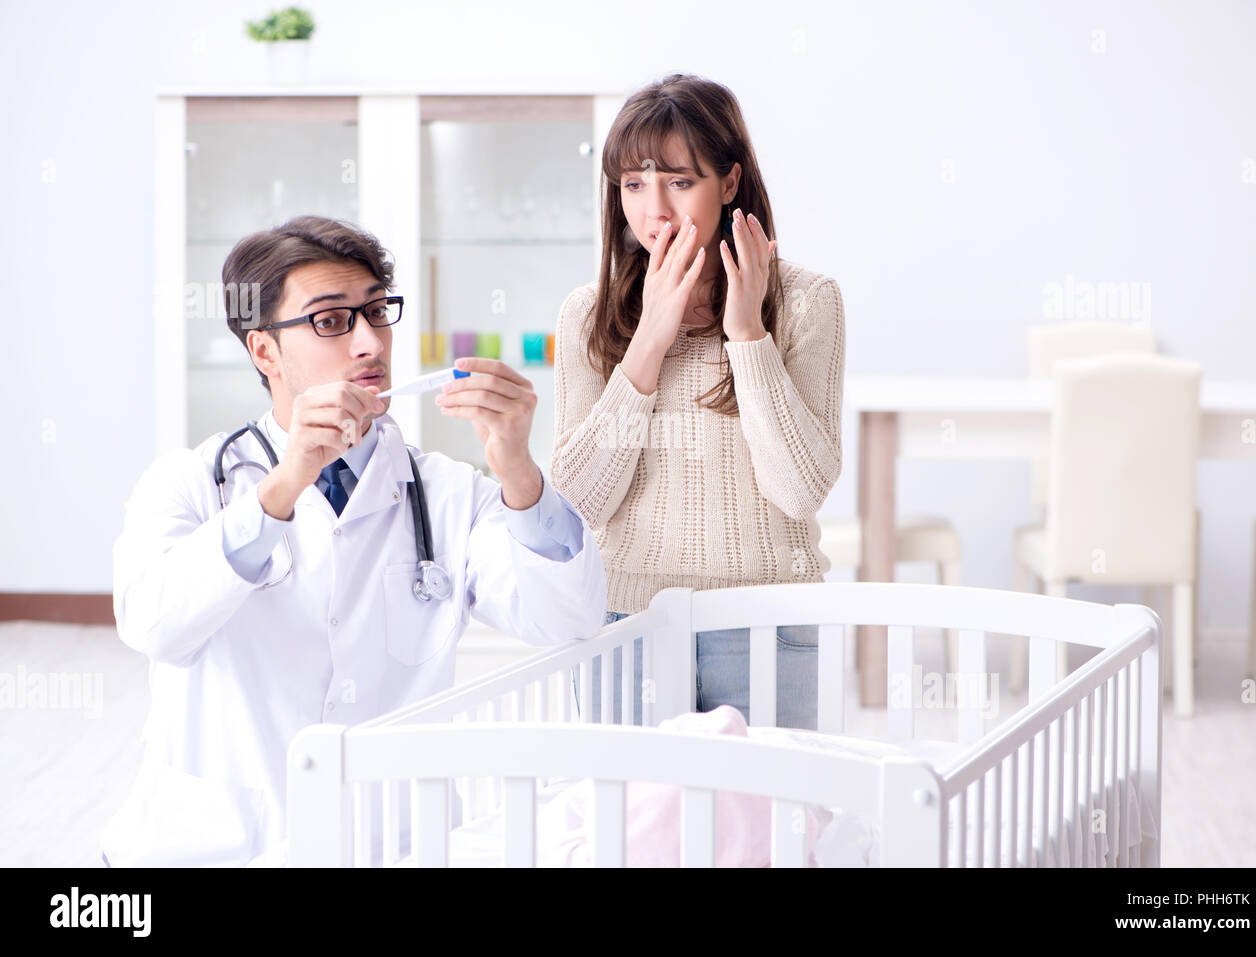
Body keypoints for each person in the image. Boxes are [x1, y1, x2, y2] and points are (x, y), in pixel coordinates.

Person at [100, 215, 605, 866]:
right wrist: (283, 489)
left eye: (376, 312)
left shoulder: (447, 493)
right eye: (332, 320)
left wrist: (519, 468)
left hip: (383, 845)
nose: (370, 341)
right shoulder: (192, 483)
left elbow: (570, 616)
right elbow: (153, 625)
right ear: (264, 352)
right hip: (215, 849)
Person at [551, 75, 845, 729]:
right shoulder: (586, 316)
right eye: (632, 184)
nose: (653, 209)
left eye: (680, 182)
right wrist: (651, 336)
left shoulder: (806, 302)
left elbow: (799, 490)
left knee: (775, 829)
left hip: (766, 624)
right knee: (632, 829)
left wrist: (747, 335)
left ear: (731, 182)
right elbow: (578, 503)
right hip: (629, 627)